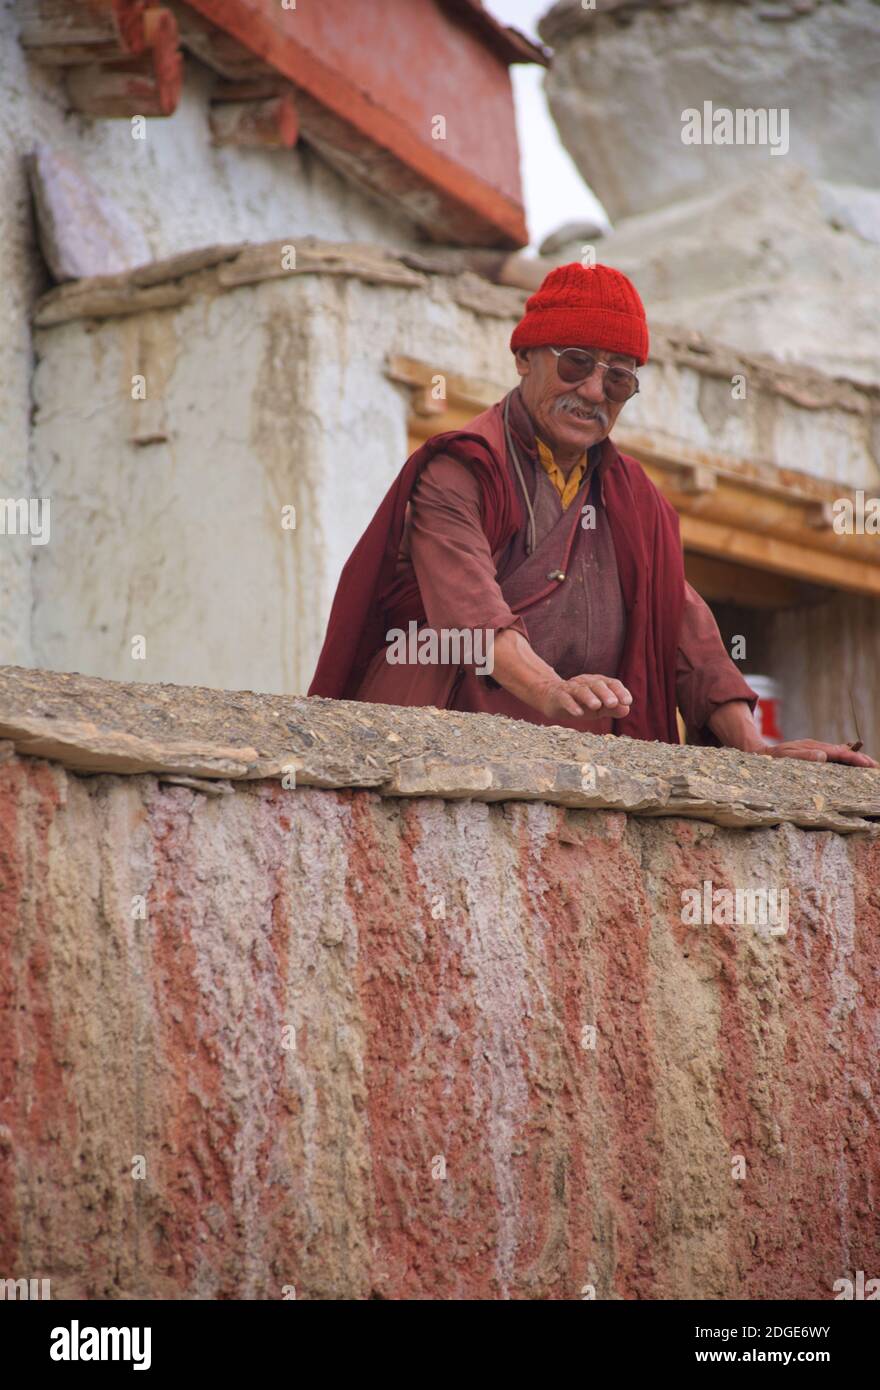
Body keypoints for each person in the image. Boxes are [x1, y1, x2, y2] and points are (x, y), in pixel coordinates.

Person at [310, 262, 874, 767]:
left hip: (577, 761)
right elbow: (471, 615)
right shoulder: (463, 467)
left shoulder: (633, 497)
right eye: (576, 363)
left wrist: (754, 746)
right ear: (524, 356)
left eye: (618, 378)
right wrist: (550, 690)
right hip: (442, 740)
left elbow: (683, 628)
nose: (592, 390)